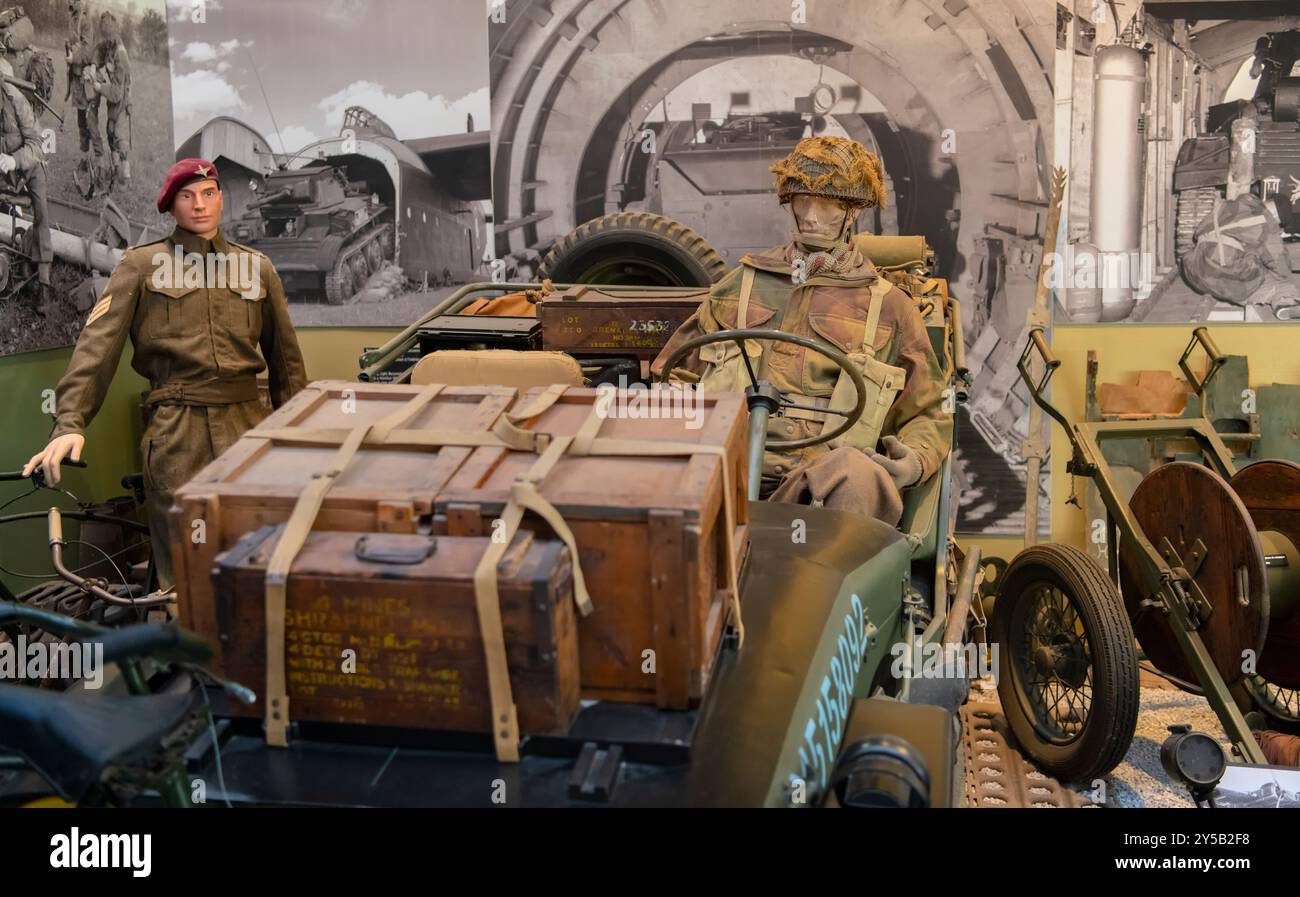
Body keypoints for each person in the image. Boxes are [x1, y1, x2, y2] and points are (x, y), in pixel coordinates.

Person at [23, 158, 309, 588]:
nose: (199, 206)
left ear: (221, 199)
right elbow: (97, 348)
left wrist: (301, 436)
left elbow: (286, 362)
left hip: (247, 427)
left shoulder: (257, 267)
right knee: (183, 571)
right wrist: (70, 422)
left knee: (256, 556)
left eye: (208, 194)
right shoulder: (141, 266)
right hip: (177, 433)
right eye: (187, 197)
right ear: (171, 206)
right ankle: (183, 643)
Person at [651, 135, 951, 526]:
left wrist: (912, 461)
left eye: (826, 203)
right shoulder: (739, 287)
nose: (810, 215)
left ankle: (822, 582)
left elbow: (931, 409)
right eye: (802, 200)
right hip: (724, 475)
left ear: (852, 211)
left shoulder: (889, 307)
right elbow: (675, 375)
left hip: (817, 491)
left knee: (857, 475)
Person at [0, 48, 52, 314]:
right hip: (3, 171)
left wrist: (14, 161)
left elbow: (37, 146)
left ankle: (43, 283)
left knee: (41, 211)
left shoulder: (16, 100)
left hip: (28, 166)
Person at [90, 11, 129, 181]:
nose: (104, 41)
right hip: (113, 98)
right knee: (110, 132)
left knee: (120, 137)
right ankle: (115, 170)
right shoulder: (109, 44)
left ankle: (125, 177)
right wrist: (93, 65)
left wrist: (99, 87)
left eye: (106, 37)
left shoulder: (120, 53)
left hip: (122, 99)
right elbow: (99, 50)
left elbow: (116, 93)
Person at [65, 0, 101, 165]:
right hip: (78, 81)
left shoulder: (85, 22)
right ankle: (85, 160)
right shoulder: (72, 19)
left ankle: (99, 165)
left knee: (91, 123)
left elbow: (87, 52)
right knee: (81, 123)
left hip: (87, 82)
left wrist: (73, 58)